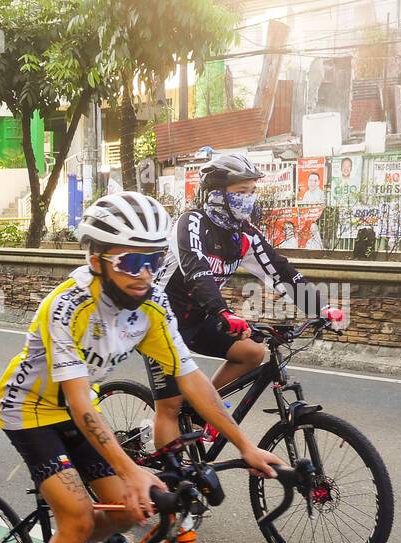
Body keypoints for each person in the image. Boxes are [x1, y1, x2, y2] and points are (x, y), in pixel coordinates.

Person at [0, 191, 283, 543]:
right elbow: (80, 404)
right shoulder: (67, 307)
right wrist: (132, 470)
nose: (144, 274)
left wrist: (246, 443)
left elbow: (191, 377)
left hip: (80, 411)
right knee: (79, 518)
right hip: (32, 410)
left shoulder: (151, 304)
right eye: (131, 261)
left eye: (154, 262)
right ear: (97, 259)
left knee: (129, 511)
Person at [145, 154, 345, 449]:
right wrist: (223, 312)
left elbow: (281, 271)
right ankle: (170, 484)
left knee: (253, 353)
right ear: (215, 194)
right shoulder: (191, 223)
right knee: (170, 407)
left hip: (198, 320)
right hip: (161, 320)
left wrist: (321, 307)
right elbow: (197, 272)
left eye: (252, 192)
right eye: (240, 192)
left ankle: (202, 407)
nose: (248, 200)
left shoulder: (244, 235)